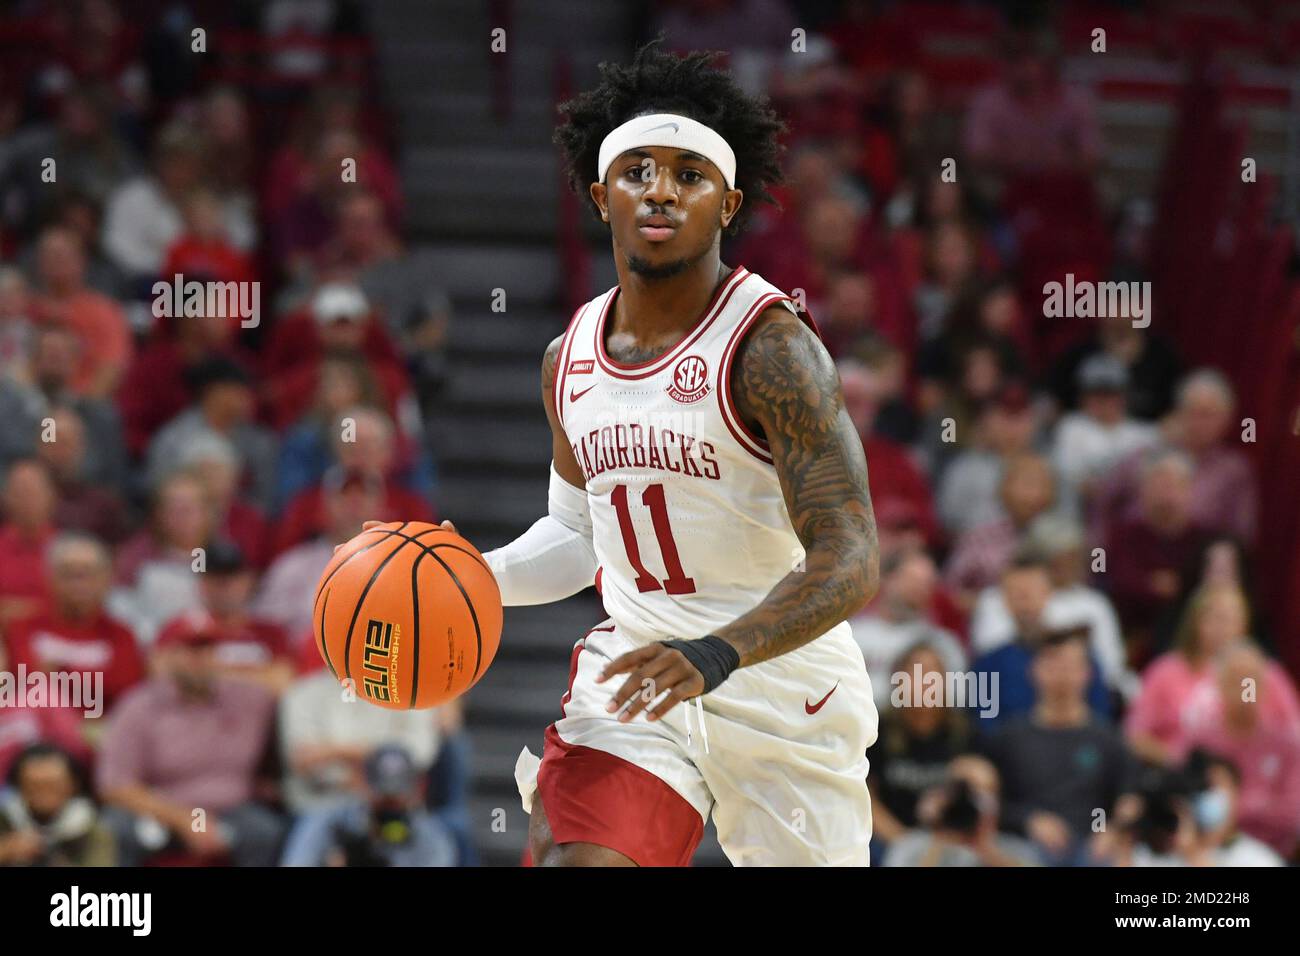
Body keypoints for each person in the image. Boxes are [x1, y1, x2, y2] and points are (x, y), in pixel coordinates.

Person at [383, 44, 882, 867]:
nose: (660, 188)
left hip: (783, 685)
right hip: (639, 677)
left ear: (727, 204)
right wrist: (476, 575)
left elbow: (853, 554)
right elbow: (581, 538)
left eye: (689, 174)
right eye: (639, 169)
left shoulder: (771, 349)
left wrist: (717, 652)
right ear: (599, 195)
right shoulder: (568, 356)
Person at [96, 615, 284, 866]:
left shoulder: (247, 698)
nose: (200, 659)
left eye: (207, 649)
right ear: (166, 656)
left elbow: (289, 683)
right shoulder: (139, 706)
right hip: (162, 812)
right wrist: (186, 820)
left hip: (233, 812)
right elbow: (114, 785)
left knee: (266, 831)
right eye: (190, 650)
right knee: (116, 828)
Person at [979, 629, 1136, 865]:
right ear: (1033, 670)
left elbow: (1125, 798)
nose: (1062, 674)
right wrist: (1029, 820)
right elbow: (992, 802)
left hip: (1092, 843)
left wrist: (1108, 830)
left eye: (1071, 665)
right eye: (1053, 663)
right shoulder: (1009, 737)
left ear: (1087, 673)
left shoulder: (1108, 739)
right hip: (1026, 845)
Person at [280, 745, 458, 867]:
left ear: (418, 788)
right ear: (364, 784)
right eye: (383, 797)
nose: (391, 805)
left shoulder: (432, 837)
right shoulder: (329, 823)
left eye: (397, 798)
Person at [883, 755, 1039, 867]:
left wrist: (989, 852)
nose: (968, 803)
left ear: (997, 801)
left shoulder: (1017, 850)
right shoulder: (910, 846)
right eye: (962, 793)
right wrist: (938, 838)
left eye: (980, 794)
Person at [0, 744, 115, 867]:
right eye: (34, 786)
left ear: (73, 785)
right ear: (19, 786)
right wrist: (5, 851)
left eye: (53, 786)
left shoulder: (91, 830)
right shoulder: (5, 819)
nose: (43, 795)